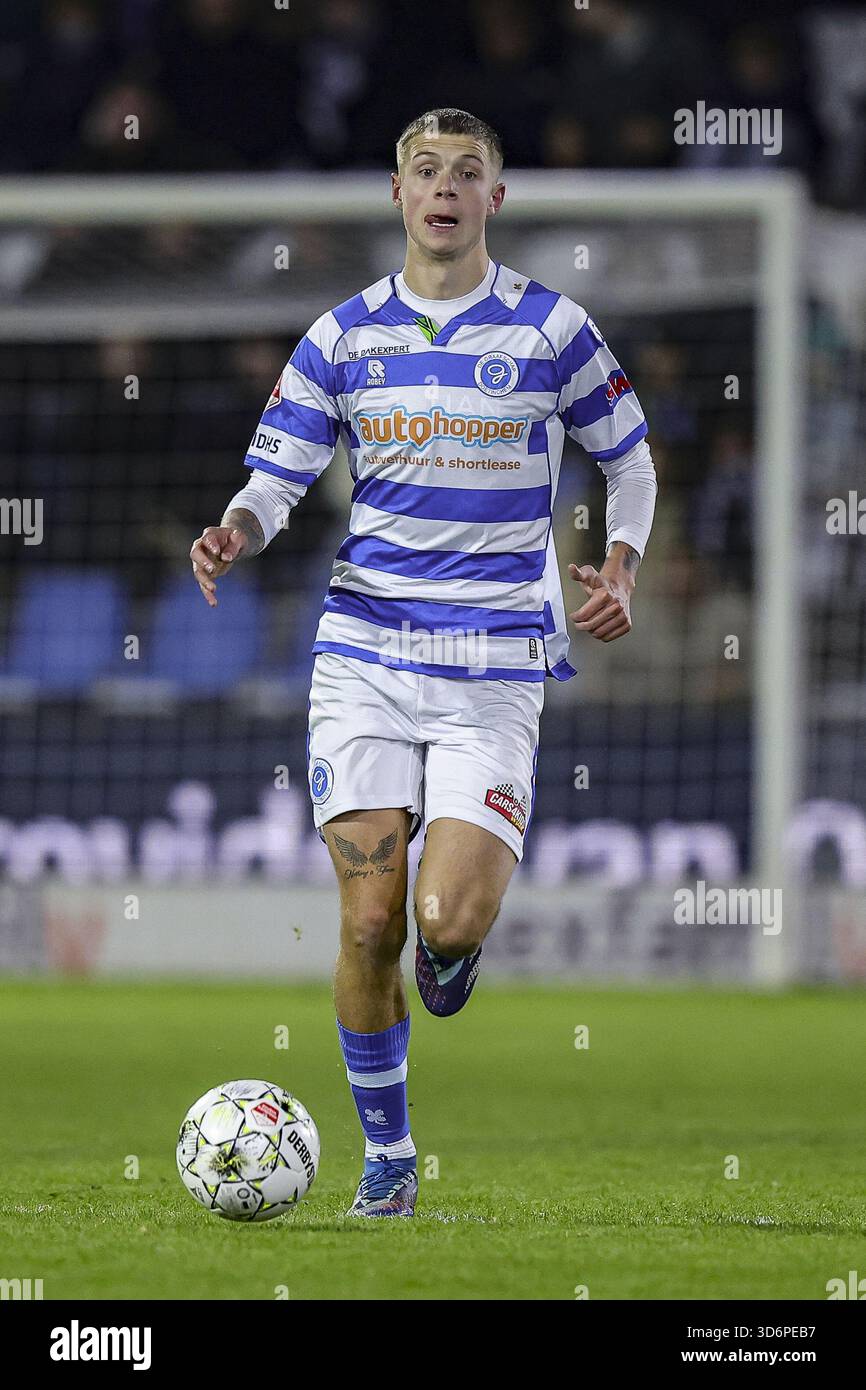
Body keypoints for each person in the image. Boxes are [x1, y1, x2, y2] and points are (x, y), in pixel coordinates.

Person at [190, 108, 657, 1217]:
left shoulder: (551, 330)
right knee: (365, 918)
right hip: (364, 651)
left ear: (495, 198)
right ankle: (389, 1162)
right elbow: (276, 480)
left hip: (492, 661)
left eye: (467, 172)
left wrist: (620, 564)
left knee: (440, 921)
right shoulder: (341, 336)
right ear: (396, 195)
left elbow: (628, 459)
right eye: (423, 171)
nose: (443, 188)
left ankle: (454, 954)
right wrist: (233, 529)